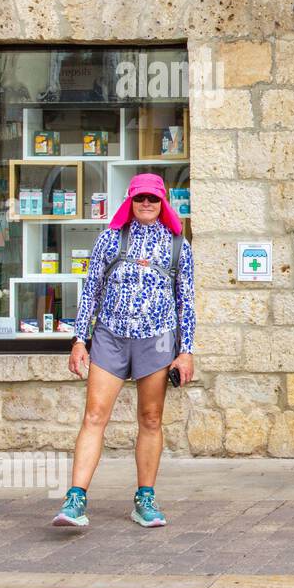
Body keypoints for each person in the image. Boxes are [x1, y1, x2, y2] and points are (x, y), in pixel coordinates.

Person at [54, 173, 195, 528]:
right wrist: (78, 340)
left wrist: (186, 350)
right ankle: (75, 499)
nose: (146, 204)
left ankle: (145, 499)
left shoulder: (178, 244)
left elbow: (186, 301)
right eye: (139, 198)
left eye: (153, 199)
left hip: (159, 338)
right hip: (110, 336)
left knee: (150, 419)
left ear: (163, 203)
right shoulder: (110, 239)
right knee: (94, 416)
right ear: (129, 202)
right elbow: (90, 291)